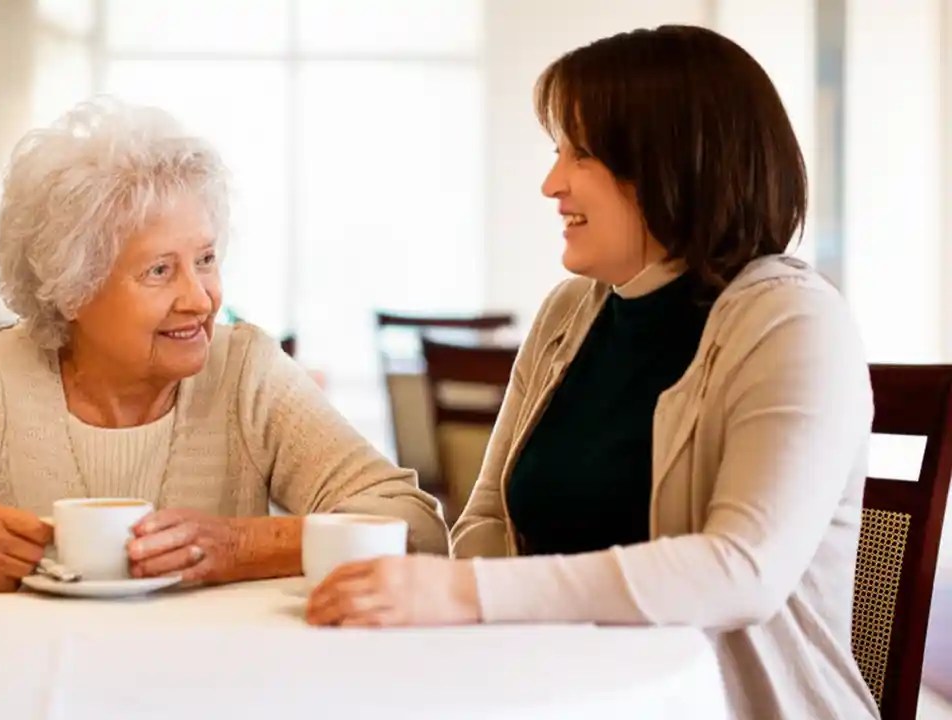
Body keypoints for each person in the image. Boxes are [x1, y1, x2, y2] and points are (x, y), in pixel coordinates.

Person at [306, 25, 878, 719]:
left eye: (580, 154)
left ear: (670, 163)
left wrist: (463, 596)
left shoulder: (791, 322)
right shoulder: (571, 313)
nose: (552, 184)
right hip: (563, 695)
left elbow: (740, 570)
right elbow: (488, 515)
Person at [0, 97, 448, 590]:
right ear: (73, 287)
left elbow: (412, 528)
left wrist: (241, 544)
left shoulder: (246, 371)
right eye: (159, 271)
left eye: (205, 260)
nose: (201, 297)